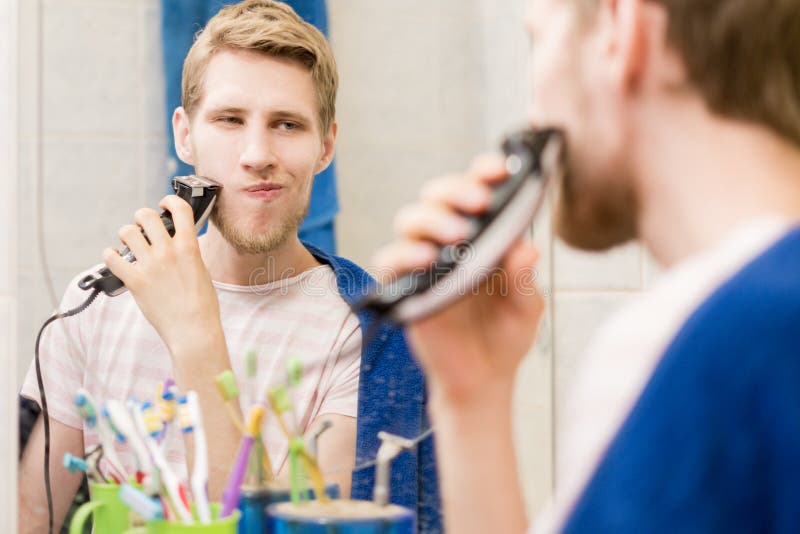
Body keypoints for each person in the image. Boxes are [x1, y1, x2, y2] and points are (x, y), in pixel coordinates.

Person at [374, 0, 800, 532]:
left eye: (540, 38)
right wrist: (472, 396)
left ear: (620, 29)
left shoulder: (688, 341)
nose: (533, 115)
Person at [18, 2, 439, 532]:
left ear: (326, 144)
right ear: (185, 135)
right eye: (229, 120)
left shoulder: (366, 338)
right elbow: (32, 514)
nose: (257, 153)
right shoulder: (96, 303)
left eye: (287, 124)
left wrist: (195, 340)